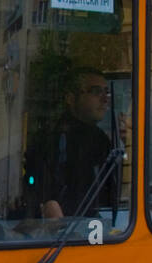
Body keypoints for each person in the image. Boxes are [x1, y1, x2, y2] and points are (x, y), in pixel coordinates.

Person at [22, 66, 115, 220]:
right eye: (96, 91)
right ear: (71, 98)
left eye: (107, 92)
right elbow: (38, 184)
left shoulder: (102, 140)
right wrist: (48, 201)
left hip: (96, 229)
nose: (105, 99)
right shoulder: (51, 138)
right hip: (63, 233)